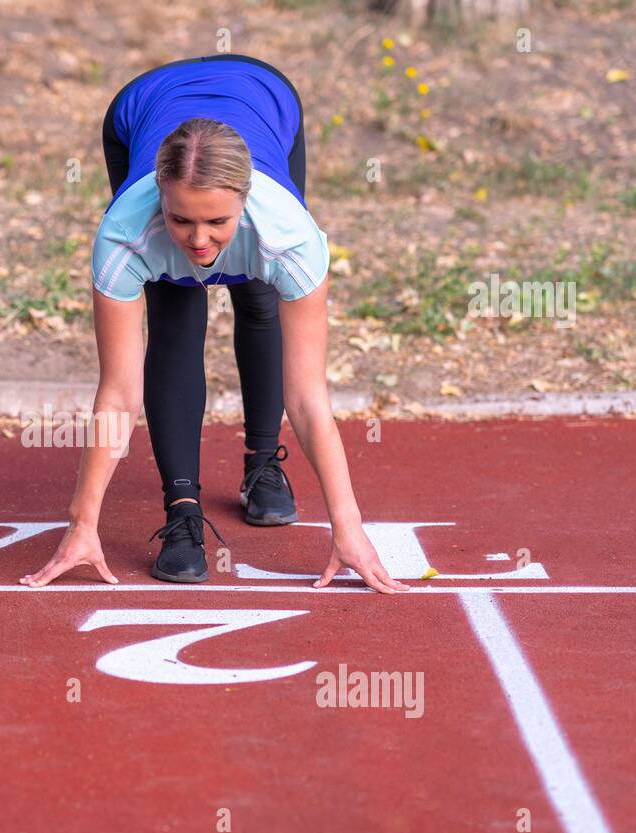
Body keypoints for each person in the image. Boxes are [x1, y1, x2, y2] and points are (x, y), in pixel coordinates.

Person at [21, 54, 409, 593]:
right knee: (175, 310)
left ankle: (263, 465)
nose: (200, 238)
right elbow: (117, 395)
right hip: (142, 102)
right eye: (181, 219)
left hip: (263, 92)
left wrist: (349, 528)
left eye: (217, 221)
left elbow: (308, 397)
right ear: (159, 196)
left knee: (258, 296)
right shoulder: (123, 238)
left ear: (244, 202)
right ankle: (182, 512)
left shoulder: (289, 239)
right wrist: (82, 525)